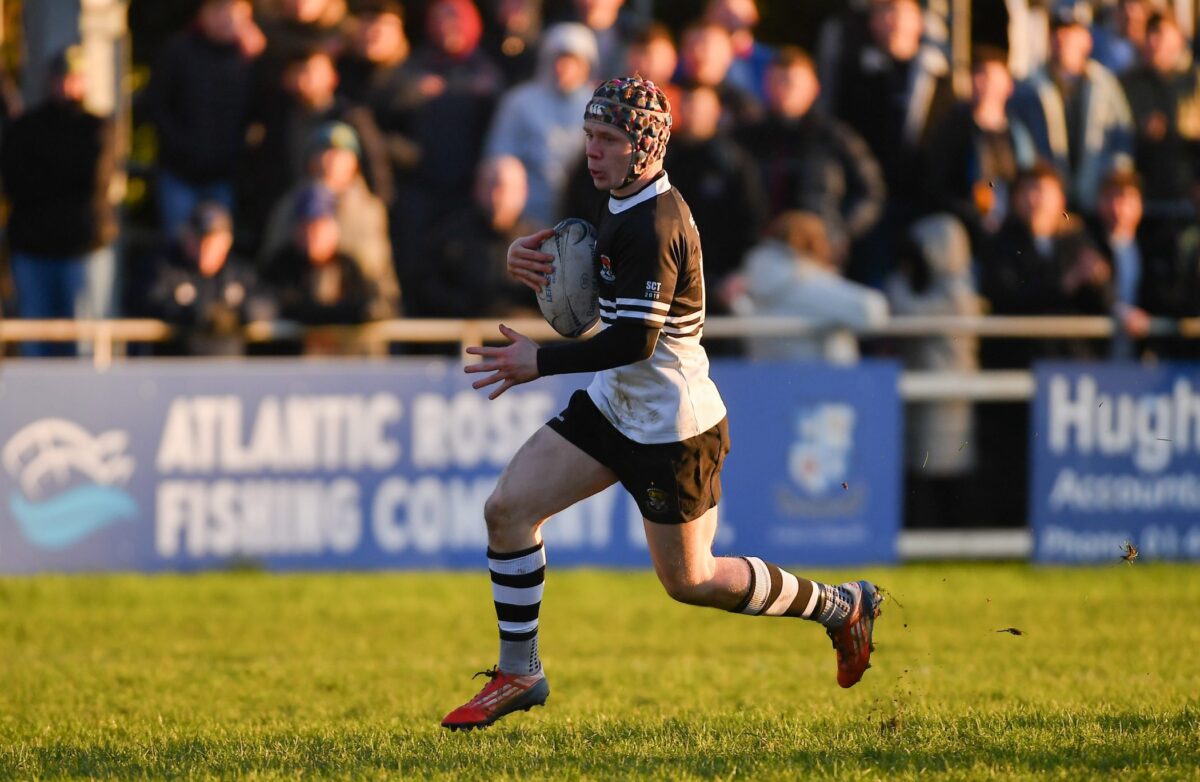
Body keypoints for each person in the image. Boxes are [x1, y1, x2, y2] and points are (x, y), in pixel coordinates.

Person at [440, 76, 884, 732]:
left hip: (673, 427)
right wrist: (524, 259)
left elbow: (636, 339)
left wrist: (541, 361)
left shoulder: (657, 219)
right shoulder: (619, 194)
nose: (592, 150)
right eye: (590, 135)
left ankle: (840, 605)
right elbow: (592, 283)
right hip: (615, 404)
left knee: (693, 581)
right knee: (508, 511)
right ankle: (519, 672)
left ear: (645, 146)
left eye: (608, 139)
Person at [0, 46, 118, 357]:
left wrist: (47, 175)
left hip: (82, 250)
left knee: (84, 346)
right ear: (48, 80)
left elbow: (92, 182)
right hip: (34, 249)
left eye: (75, 77)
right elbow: (15, 181)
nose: (68, 85)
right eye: (62, 78)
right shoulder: (26, 127)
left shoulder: (98, 127)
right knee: (34, 344)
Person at [735, 46, 885, 266]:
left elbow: (871, 192)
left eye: (791, 82)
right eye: (776, 81)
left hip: (820, 253)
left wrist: (839, 233)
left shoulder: (835, 137)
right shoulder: (746, 138)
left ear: (813, 88)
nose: (784, 90)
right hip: (757, 251)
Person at [145, 0, 264, 239]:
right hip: (179, 173)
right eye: (219, 11)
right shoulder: (178, 50)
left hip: (224, 174)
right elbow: (156, 105)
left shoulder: (248, 59)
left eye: (236, 13)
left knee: (217, 250)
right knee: (179, 246)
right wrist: (181, 147)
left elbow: (261, 112)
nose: (227, 19)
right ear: (203, 14)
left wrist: (263, 55)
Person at [259, 122, 401, 320]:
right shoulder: (289, 205)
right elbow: (272, 264)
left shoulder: (369, 209)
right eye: (323, 152)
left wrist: (337, 248)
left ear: (355, 162)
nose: (330, 160)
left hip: (354, 313)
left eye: (340, 154)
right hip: (300, 311)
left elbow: (376, 268)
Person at [1009, 1, 1134, 215]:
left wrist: (1113, 183)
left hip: (1097, 202)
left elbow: (1122, 137)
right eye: (1058, 33)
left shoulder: (1105, 85)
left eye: (1072, 33)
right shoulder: (1029, 88)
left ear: (1087, 40)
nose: (1064, 40)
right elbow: (1020, 142)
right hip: (1046, 206)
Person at [483, 22, 598, 228]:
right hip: (526, 216)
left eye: (573, 61)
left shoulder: (597, 106)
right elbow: (498, 157)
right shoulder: (519, 102)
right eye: (558, 59)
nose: (563, 68)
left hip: (582, 215)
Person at [734, 211, 889, 364]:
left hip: (766, 380)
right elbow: (871, 310)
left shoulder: (751, 276)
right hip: (822, 382)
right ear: (814, 243)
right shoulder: (808, 284)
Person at [923, 46, 1039, 249]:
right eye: (979, 76)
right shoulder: (952, 129)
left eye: (993, 78)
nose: (985, 85)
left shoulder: (1019, 134)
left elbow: (1028, 176)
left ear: (1008, 86)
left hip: (1010, 234)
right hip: (964, 234)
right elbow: (938, 184)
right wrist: (973, 215)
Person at [414, 155, 540, 318]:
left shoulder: (541, 242)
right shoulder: (448, 238)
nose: (497, 196)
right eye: (490, 185)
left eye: (504, 187)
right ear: (476, 189)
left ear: (524, 192)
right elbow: (428, 291)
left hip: (526, 337)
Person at [142, 202, 268, 356]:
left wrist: (238, 314)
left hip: (230, 370)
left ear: (227, 241)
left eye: (212, 241)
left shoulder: (240, 272)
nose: (204, 248)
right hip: (177, 369)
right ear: (186, 237)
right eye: (198, 239)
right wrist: (195, 313)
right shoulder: (167, 268)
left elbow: (267, 302)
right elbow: (146, 300)